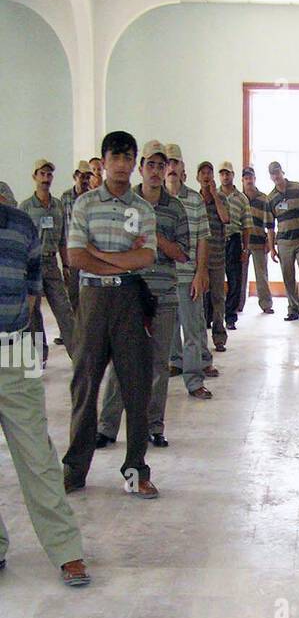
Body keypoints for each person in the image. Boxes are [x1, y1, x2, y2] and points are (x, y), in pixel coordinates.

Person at [62, 130, 159, 499]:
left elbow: (146, 257)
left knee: (136, 387)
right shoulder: (85, 205)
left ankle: (135, 472)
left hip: (130, 303)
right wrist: (121, 262)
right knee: (84, 384)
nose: (122, 165)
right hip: (92, 302)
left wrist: (99, 255)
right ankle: (75, 469)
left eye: (127, 157)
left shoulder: (142, 210)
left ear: (134, 163)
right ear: (103, 162)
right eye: (115, 157)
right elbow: (75, 257)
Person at [0, 199, 89, 584]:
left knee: (37, 456)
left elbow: (34, 291)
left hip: (14, 351)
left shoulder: (21, 226)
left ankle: (66, 550)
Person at [97, 141, 190, 449]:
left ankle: (154, 426)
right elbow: (115, 247)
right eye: (150, 164)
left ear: (168, 170)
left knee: (158, 365)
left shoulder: (175, 208)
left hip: (163, 296)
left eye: (161, 166)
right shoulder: (126, 203)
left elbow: (182, 253)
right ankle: (107, 426)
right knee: (120, 362)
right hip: (130, 294)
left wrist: (154, 238)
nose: (155, 171)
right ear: (141, 167)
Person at [165, 145, 217, 395]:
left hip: (188, 277)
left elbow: (203, 238)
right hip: (163, 277)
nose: (172, 168)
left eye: (176, 163)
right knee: (169, 327)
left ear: (184, 169)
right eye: (168, 163)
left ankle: (194, 380)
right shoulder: (153, 200)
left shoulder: (194, 200)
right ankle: (174, 362)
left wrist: (201, 272)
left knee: (193, 329)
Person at [20, 159, 77, 357]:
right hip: (31, 265)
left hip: (52, 263)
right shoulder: (26, 207)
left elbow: (63, 239)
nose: (46, 178)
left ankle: (77, 355)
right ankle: (38, 356)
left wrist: (67, 265)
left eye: (49, 174)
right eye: (42, 174)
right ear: (34, 176)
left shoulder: (58, 206)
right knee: (34, 315)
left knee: (64, 310)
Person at [266, 161, 299, 320]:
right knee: (288, 276)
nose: (276, 176)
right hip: (284, 242)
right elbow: (270, 226)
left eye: (277, 172)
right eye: (273, 174)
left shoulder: (298, 188)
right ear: (270, 177)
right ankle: (293, 308)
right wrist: (271, 248)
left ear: (282, 172)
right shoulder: (270, 199)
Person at [197, 162, 230, 351]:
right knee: (200, 301)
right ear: (198, 177)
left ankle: (219, 337)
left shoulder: (222, 199)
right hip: (200, 259)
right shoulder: (195, 199)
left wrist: (215, 196)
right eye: (203, 173)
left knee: (218, 299)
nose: (206, 176)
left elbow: (225, 218)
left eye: (209, 172)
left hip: (218, 258)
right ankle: (201, 340)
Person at [217, 163, 252, 330]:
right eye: (222, 173)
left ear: (233, 175)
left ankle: (230, 317)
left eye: (228, 173)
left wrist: (245, 249)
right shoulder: (213, 195)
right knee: (214, 281)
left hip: (234, 241)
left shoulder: (241, 198)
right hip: (216, 241)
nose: (225, 177)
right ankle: (212, 315)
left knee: (234, 280)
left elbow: (247, 225)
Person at [241, 166, 275, 314]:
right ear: (242, 180)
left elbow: (269, 222)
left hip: (259, 242)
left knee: (262, 275)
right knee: (240, 275)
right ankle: (238, 304)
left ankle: (266, 304)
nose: (249, 180)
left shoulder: (263, 198)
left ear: (255, 179)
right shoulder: (239, 198)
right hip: (242, 243)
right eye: (246, 178)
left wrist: (269, 241)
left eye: (251, 177)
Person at [60, 162, 93, 315]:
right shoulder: (65, 198)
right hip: (73, 252)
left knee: (90, 291)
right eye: (82, 176)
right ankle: (75, 326)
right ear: (75, 176)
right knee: (72, 292)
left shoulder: (93, 198)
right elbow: (61, 227)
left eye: (88, 176)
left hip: (90, 252)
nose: (85, 180)